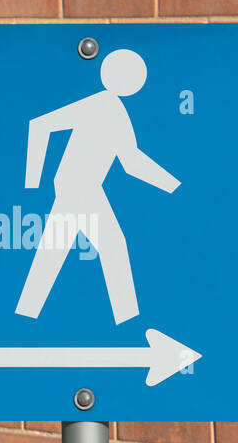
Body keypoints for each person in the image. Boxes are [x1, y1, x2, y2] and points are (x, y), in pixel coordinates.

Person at [16, 48, 179, 325]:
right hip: (77, 188)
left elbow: (130, 161)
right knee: (106, 246)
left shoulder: (114, 108)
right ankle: (129, 321)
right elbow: (40, 125)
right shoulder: (101, 104)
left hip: (83, 188)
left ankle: (26, 314)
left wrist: (172, 185)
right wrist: (32, 181)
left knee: (56, 251)